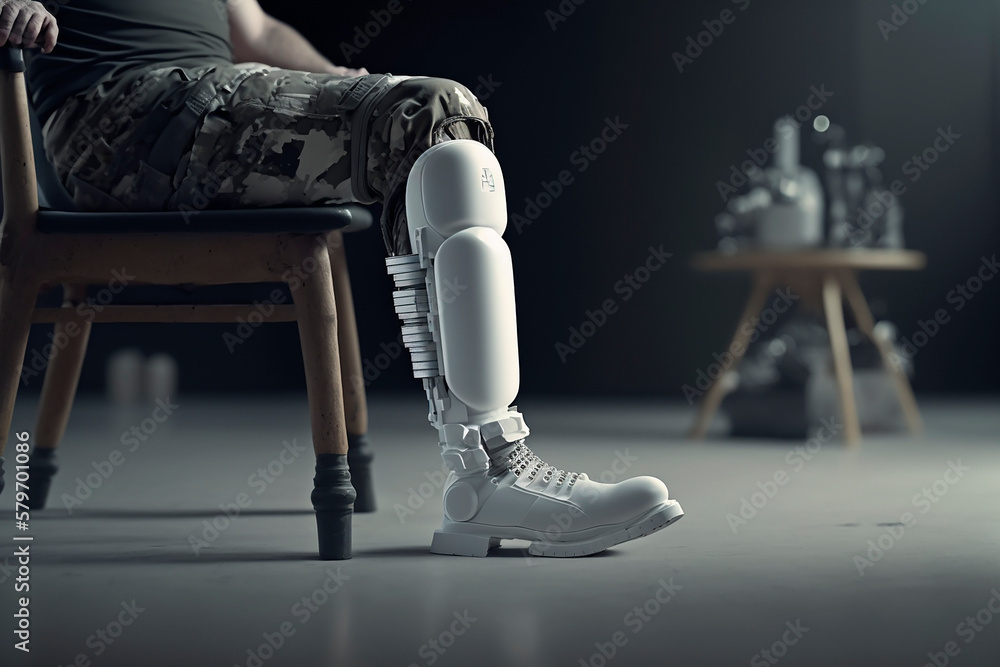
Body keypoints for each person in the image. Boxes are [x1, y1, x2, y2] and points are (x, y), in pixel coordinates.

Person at [0, 0, 684, 557]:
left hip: (210, 103)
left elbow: (257, 32)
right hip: (117, 123)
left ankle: (487, 470)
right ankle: (491, 475)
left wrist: (343, 87)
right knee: (429, 116)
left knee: (434, 132)